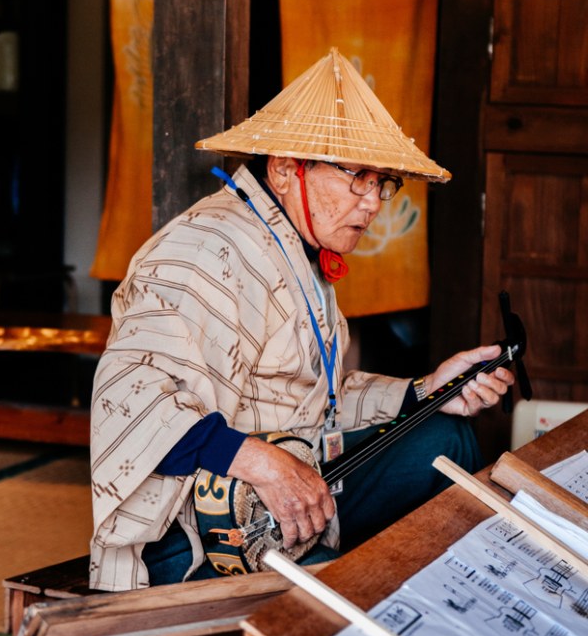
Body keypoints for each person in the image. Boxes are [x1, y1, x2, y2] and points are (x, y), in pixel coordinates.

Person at [89, 48, 513, 592]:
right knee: (330, 600)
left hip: (296, 487)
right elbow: (127, 401)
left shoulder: (293, 247)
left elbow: (314, 395)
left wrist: (426, 393)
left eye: (382, 182)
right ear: (286, 170)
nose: (373, 203)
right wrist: (265, 465)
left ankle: (451, 594)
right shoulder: (204, 247)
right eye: (357, 177)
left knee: (446, 438)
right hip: (194, 534)